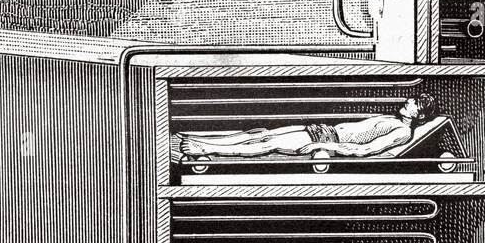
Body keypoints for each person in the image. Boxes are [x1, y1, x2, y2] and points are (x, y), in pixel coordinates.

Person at [178, 94, 439, 160]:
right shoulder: (396, 120)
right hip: (324, 129)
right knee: (261, 134)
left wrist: (324, 145)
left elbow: (365, 150)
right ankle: (201, 139)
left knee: (268, 145)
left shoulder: (404, 131)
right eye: (413, 99)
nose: (409, 101)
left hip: (328, 137)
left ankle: (203, 147)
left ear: (420, 114)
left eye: (415, 104)